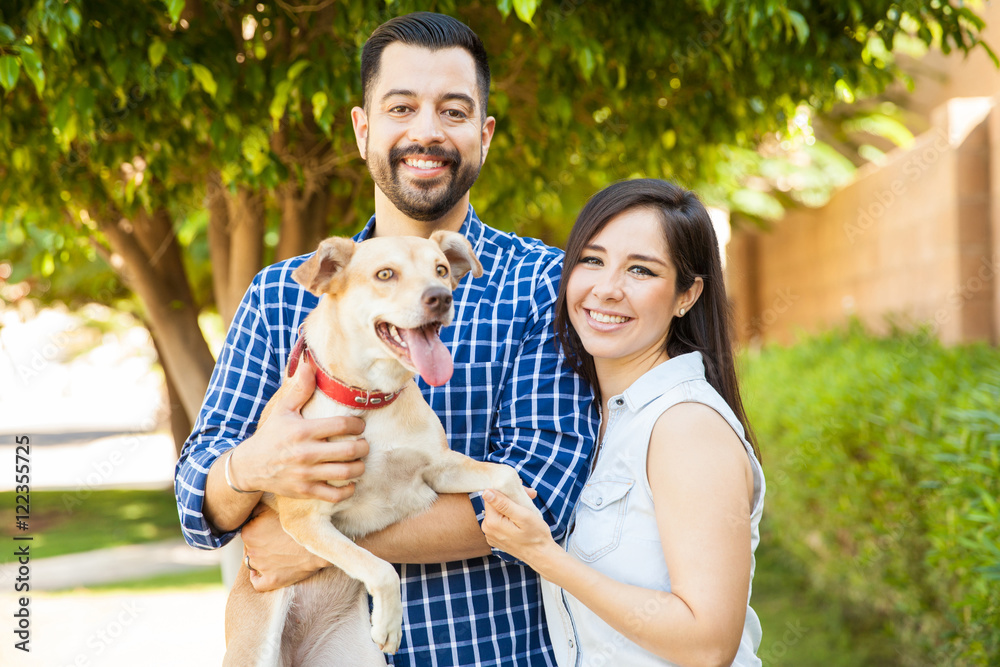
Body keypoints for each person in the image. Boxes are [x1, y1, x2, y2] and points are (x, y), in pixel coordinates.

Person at [173, 12, 598, 667]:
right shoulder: (284, 293)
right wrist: (256, 465)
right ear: (362, 128)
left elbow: (544, 491)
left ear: (484, 135)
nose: (427, 131)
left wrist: (314, 541)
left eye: (453, 111)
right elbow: (197, 500)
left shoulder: (545, 284)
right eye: (401, 107)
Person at [480, 179, 766, 667]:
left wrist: (543, 555)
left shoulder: (686, 426)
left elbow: (708, 643)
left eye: (641, 270)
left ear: (687, 295)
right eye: (592, 260)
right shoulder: (599, 418)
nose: (607, 289)